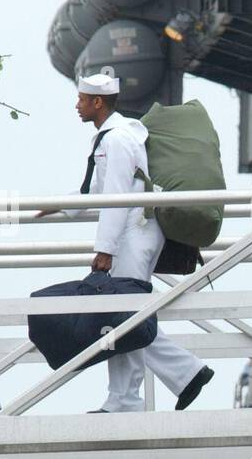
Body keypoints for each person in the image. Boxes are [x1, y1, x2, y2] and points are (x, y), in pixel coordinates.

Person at [58, 73, 214, 412]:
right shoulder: (118, 137)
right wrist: (59, 205)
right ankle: (175, 378)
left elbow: (114, 197)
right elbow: (102, 193)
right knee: (125, 317)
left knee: (124, 318)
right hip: (134, 232)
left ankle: (136, 394)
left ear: (98, 102)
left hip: (133, 234)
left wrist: (105, 249)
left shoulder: (115, 141)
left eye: (82, 99)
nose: (77, 105)